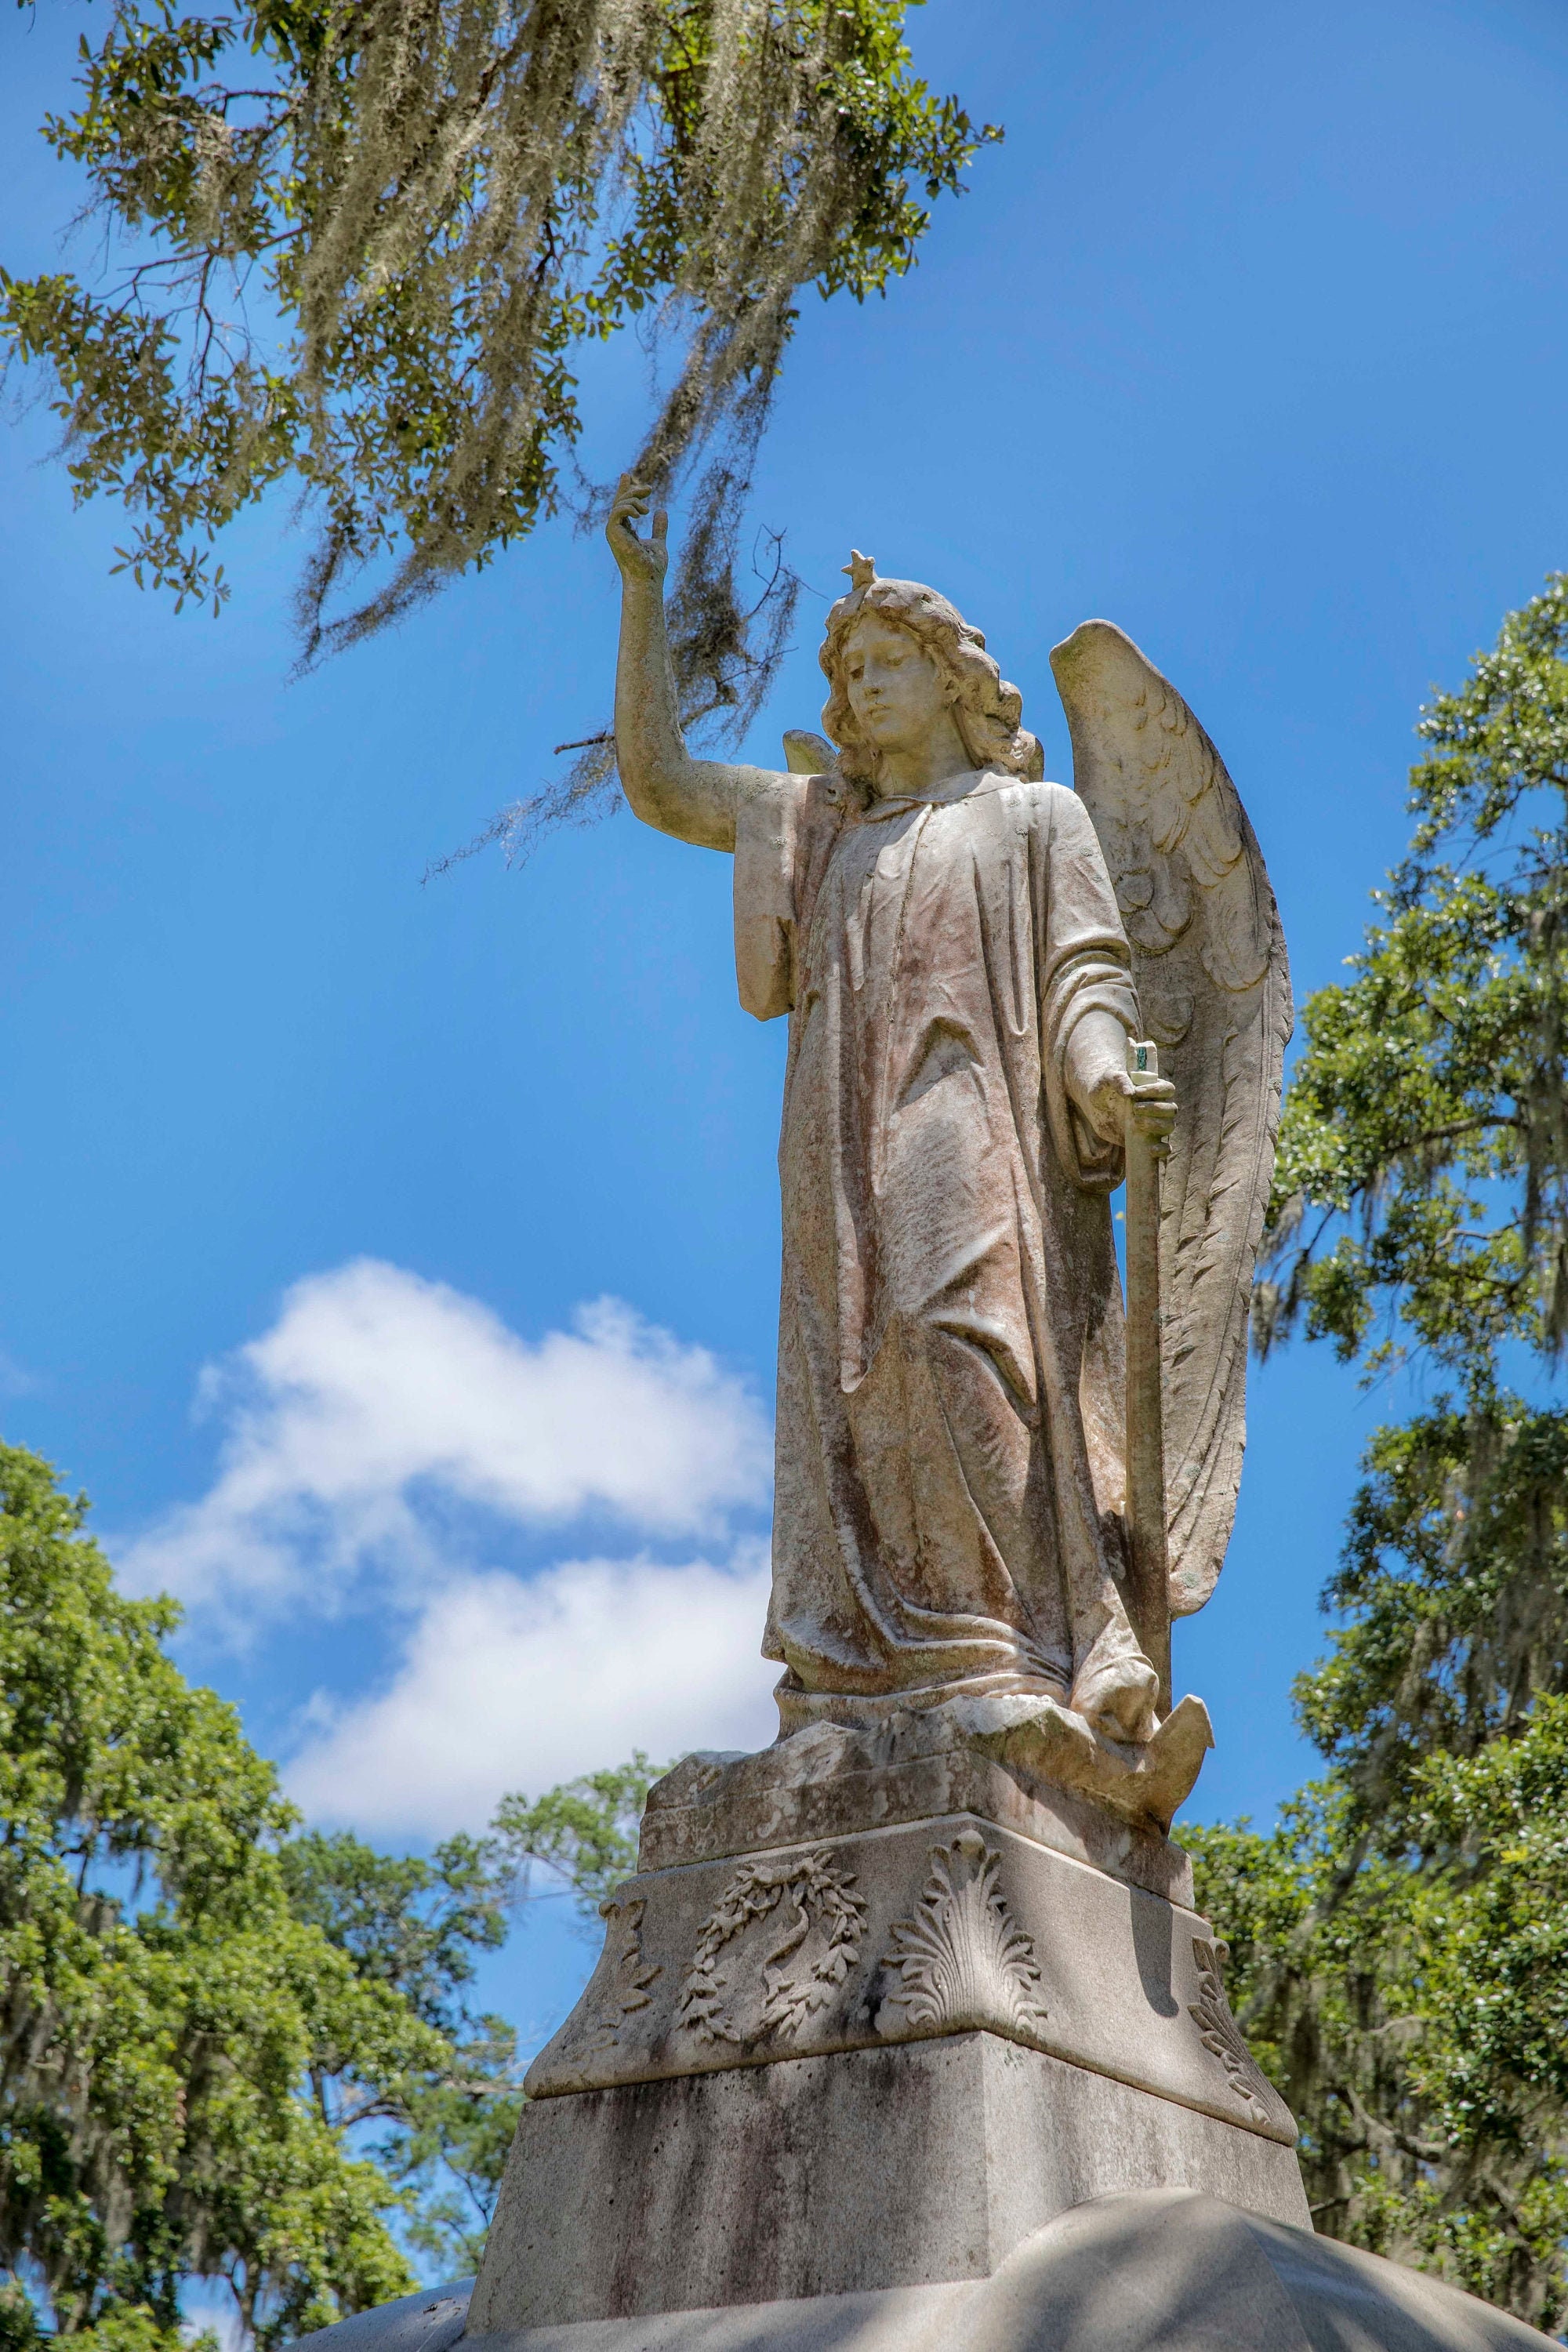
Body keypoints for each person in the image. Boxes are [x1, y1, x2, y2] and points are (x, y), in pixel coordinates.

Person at [606, 477, 1176, 1746]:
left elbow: (1091, 971)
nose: (862, 688)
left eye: (885, 663)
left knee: (967, 1333)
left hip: (975, 1125)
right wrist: (644, 602)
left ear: (949, 675)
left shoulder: (1035, 817)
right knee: (855, 1378)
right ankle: (865, 1667)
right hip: (835, 1139)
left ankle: (1035, 1640)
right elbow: (659, 786)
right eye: (848, 671)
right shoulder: (823, 829)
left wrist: (1098, 1077)